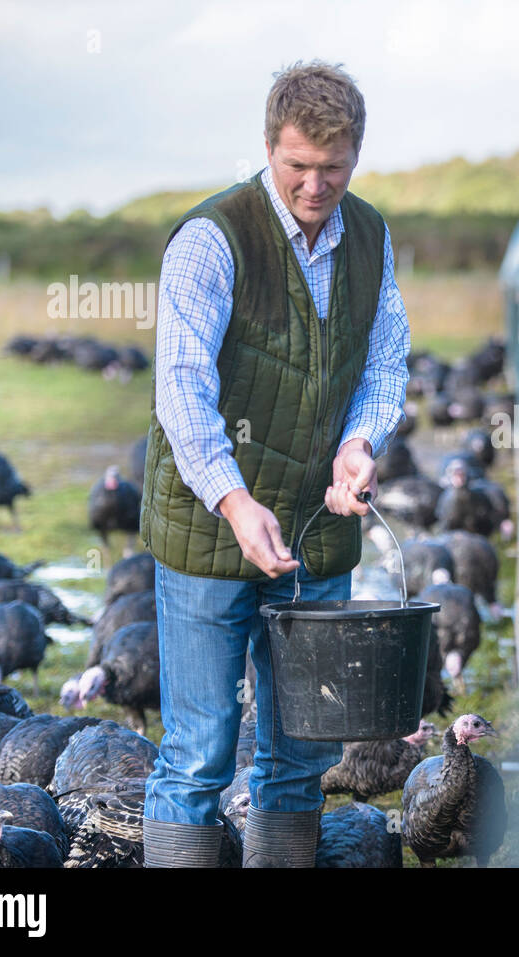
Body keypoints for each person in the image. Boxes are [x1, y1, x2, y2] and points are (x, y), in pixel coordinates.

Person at [138, 60, 409, 867]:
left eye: (335, 168)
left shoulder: (369, 235)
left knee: (300, 755)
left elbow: (385, 361)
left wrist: (360, 443)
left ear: (355, 156)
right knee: (198, 750)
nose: (317, 185)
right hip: (208, 534)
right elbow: (181, 391)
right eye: (299, 166)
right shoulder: (211, 241)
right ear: (268, 147)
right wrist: (232, 500)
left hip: (315, 535)